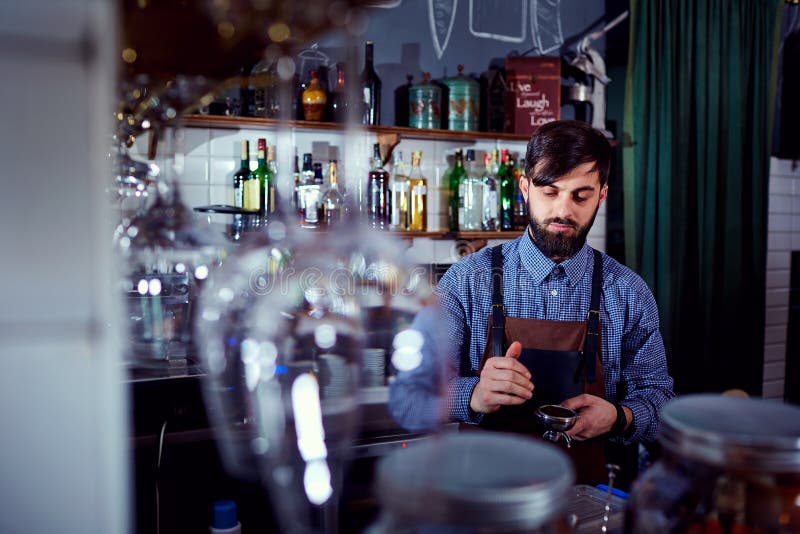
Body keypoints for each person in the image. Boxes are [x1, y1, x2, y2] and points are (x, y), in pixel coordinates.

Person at [437, 120, 675, 486]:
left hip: (586, 499)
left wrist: (618, 416)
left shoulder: (629, 293)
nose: (564, 211)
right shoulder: (466, 280)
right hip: (482, 501)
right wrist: (474, 396)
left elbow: (660, 403)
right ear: (524, 188)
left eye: (581, 195)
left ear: (603, 194)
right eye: (550, 192)